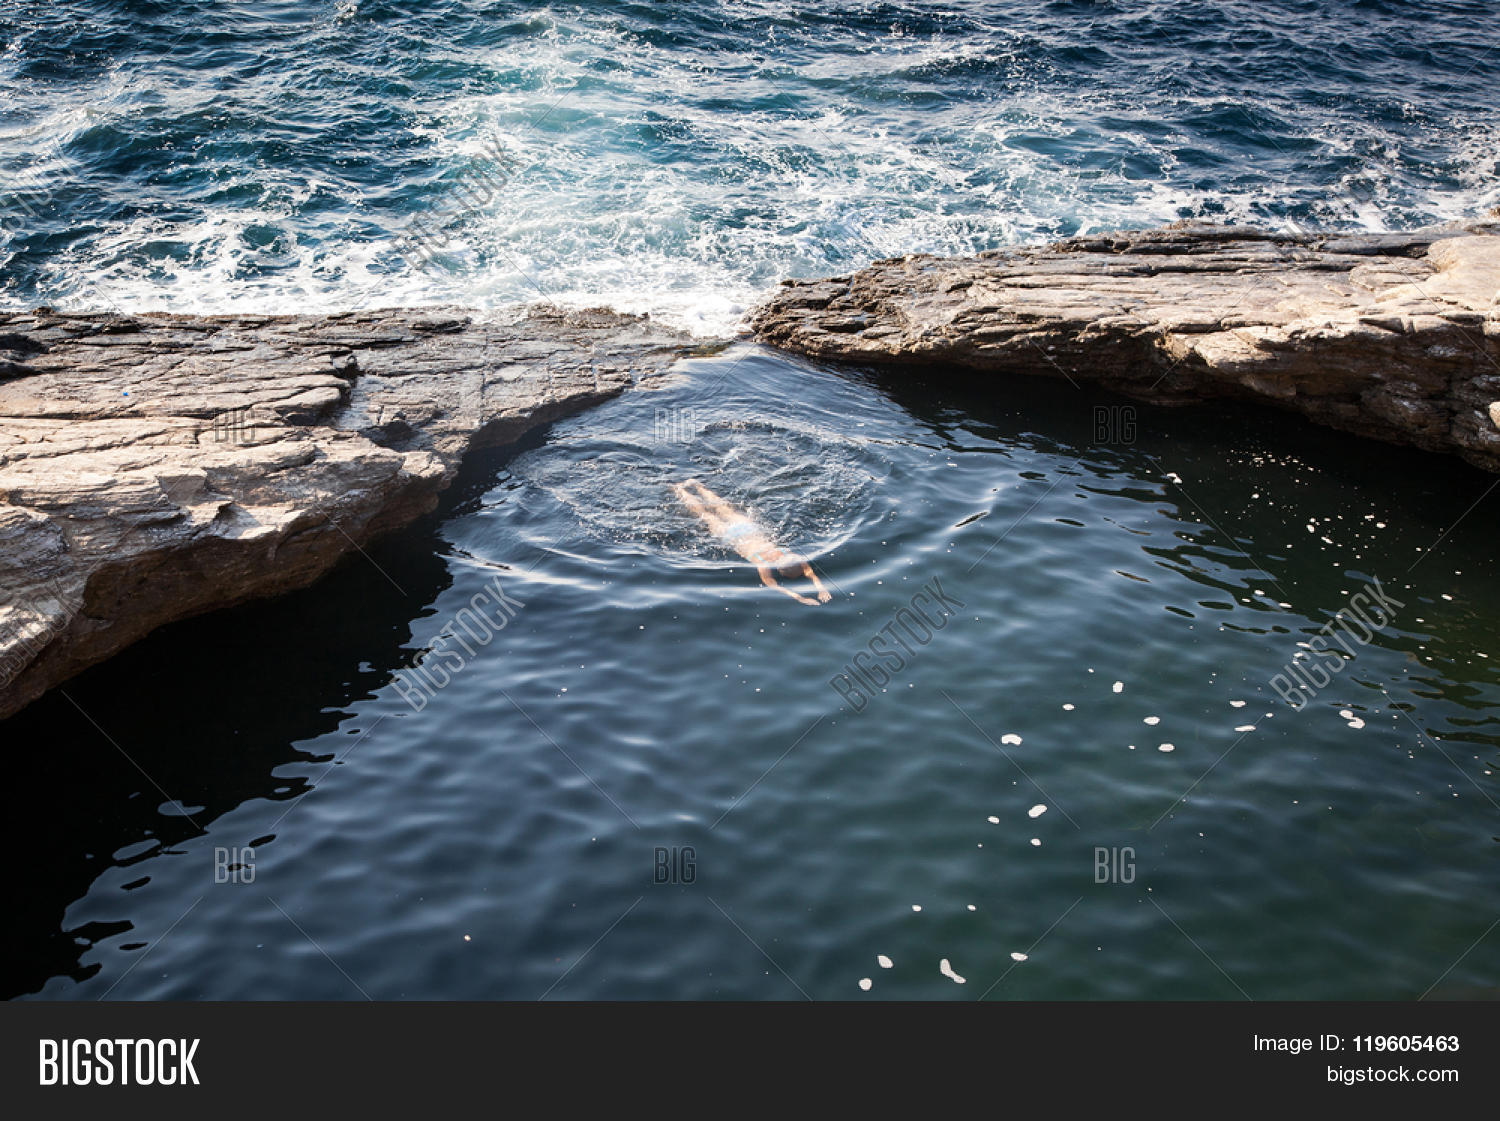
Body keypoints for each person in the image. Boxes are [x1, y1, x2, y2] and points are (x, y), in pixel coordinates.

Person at [672, 479, 832, 606]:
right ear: (780, 570)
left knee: (723, 507)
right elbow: (774, 585)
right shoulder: (762, 563)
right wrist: (799, 598)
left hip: (749, 529)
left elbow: (809, 572)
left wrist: (821, 589)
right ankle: (678, 490)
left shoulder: (786, 553)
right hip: (731, 536)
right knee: (706, 515)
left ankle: (697, 486)